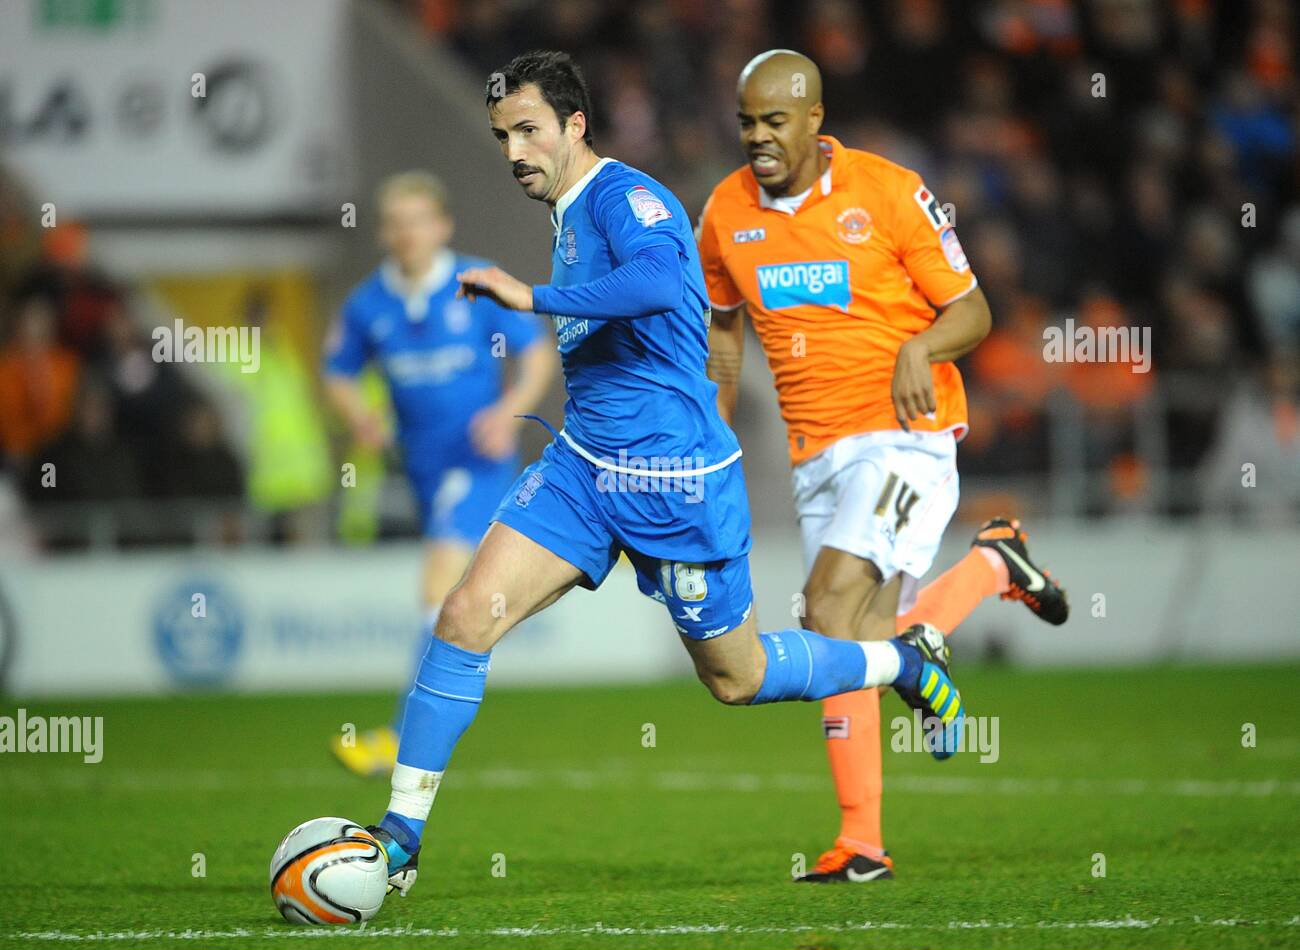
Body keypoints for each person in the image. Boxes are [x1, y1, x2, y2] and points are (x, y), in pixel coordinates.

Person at [360, 51, 963, 898]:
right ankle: (399, 841)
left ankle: (898, 664)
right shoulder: (568, 209)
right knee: (463, 616)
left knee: (738, 678)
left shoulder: (627, 198)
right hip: (582, 468)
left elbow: (653, 279)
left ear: (576, 125)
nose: (513, 152)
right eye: (503, 136)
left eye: (529, 131)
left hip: (675, 482)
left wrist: (533, 300)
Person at [697, 50, 1068, 882]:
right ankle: (863, 839)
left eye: (774, 120)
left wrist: (920, 344)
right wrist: (710, 438)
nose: (757, 136)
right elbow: (723, 334)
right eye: (746, 122)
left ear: (815, 119)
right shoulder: (724, 212)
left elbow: (972, 310)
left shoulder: (890, 192)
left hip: (908, 434)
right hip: (814, 453)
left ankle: (947, 627)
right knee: (856, 643)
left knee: (829, 608)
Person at [324, 171, 556, 775]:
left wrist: (508, 413)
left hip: (478, 463)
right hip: (422, 470)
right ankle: (444, 712)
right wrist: (360, 417)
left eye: (418, 220)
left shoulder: (473, 285)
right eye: (397, 223)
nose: (408, 234)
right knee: (461, 600)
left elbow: (536, 353)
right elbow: (337, 371)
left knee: (436, 584)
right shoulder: (368, 304)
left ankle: (404, 736)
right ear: (383, 232)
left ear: (442, 226)